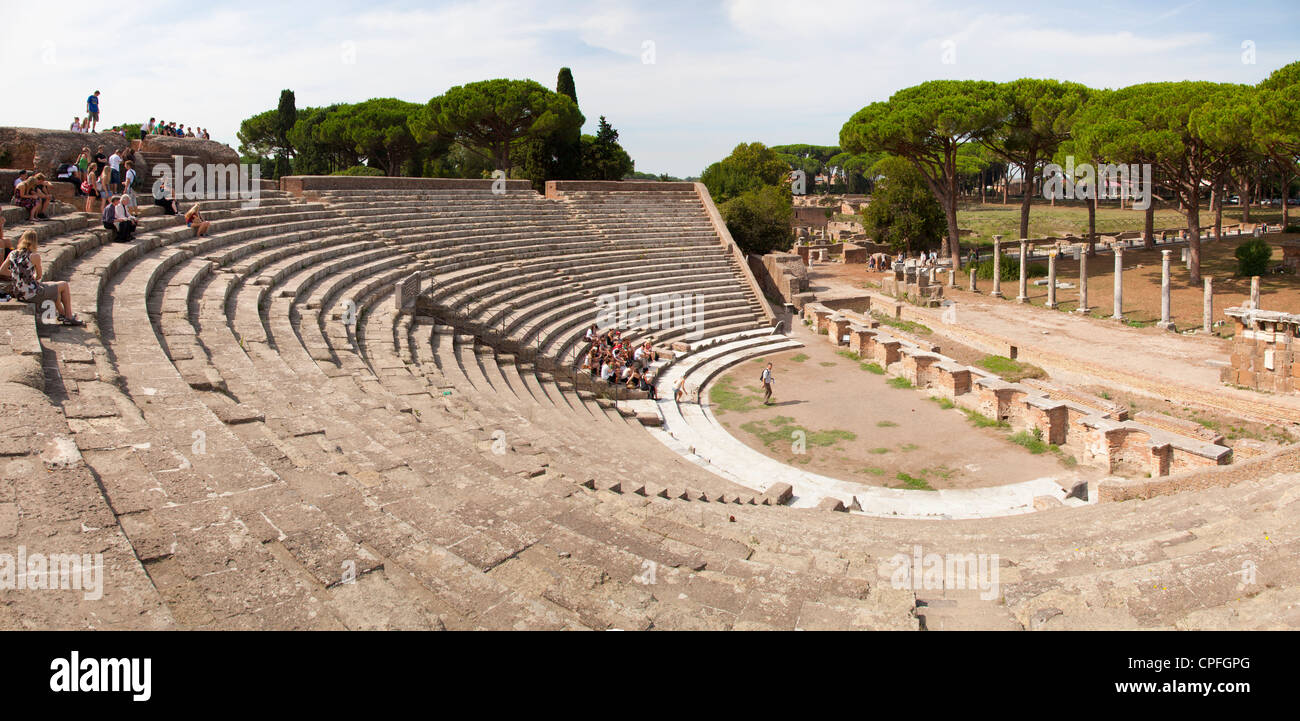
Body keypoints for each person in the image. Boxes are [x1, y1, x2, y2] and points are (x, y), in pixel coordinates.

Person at [0, 231, 83, 325]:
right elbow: (39, 276)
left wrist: (17, 275)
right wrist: (28, 277)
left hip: (18, 293)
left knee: (54, 286)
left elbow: (1, 270)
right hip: (31, 293)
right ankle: (69, 317)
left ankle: (62, 314)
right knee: (64, 285)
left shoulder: (12, 254)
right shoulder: (34, 256)